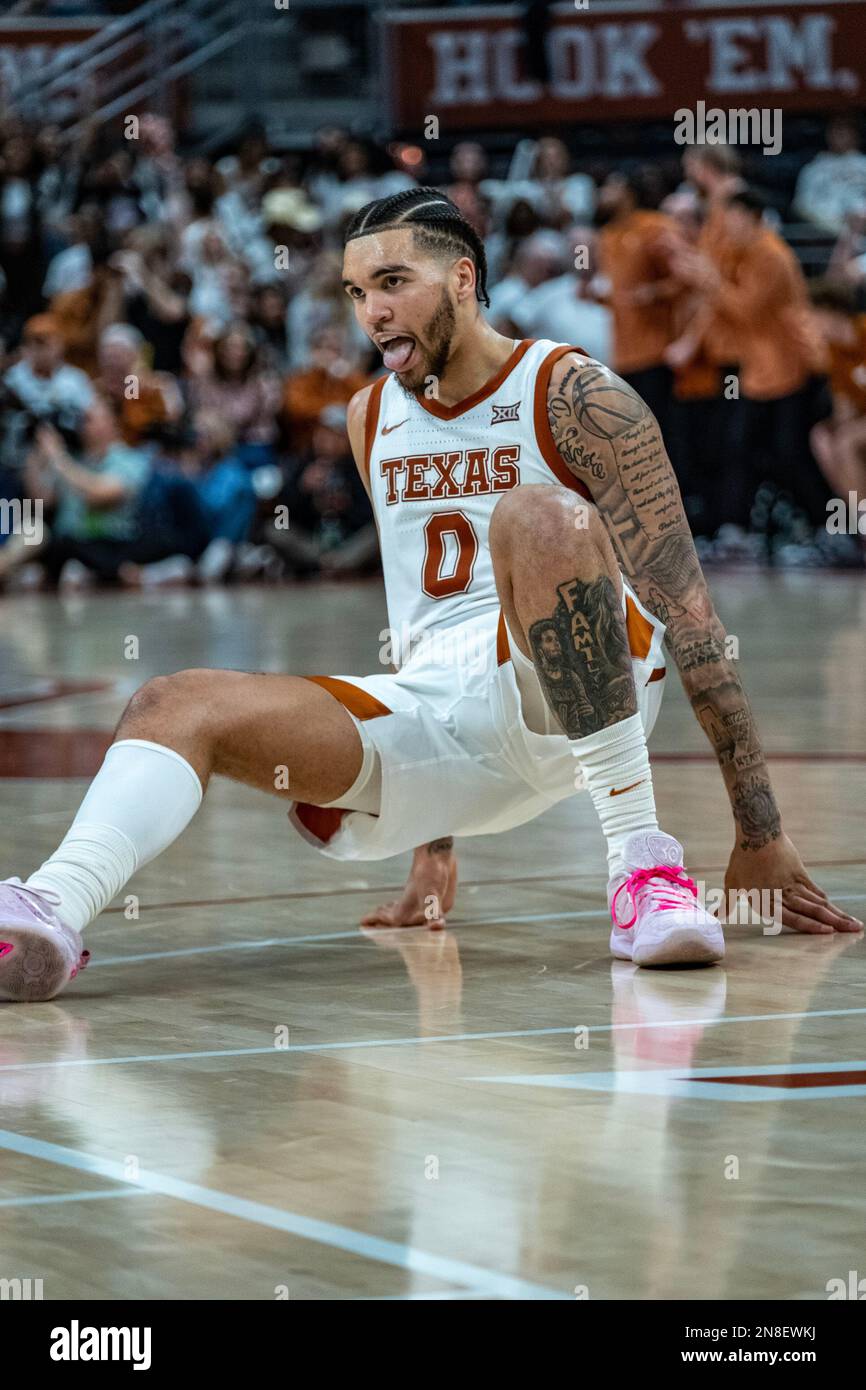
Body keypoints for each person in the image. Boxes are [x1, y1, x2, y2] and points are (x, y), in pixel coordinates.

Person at [0, 189, 859, 1004]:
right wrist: (432, 843)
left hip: (574, 696)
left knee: (537, 518)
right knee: (171, 703)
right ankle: (51, 912)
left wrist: (758, 830)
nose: (370, 310)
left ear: (462, 279)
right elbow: (414, 616)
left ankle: (642, 864)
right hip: (444, 717)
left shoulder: (574, 393)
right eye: (355, 290)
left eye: (392, 283)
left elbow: (689, 612)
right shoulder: (371, 413)